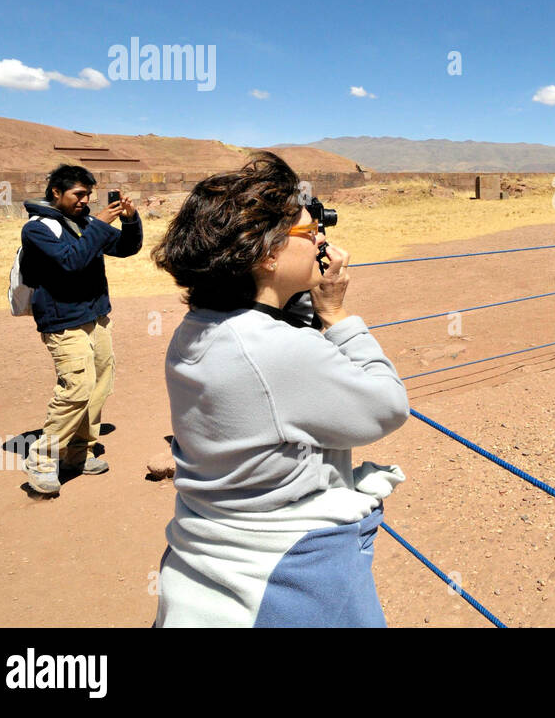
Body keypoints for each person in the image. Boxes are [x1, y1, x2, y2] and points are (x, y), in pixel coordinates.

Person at [150, 152, 409, 627]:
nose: (322, 243)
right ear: (268, 252)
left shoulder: (200, 327)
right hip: (289, 574)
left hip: (210, 555)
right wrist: (336, 316)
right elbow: (387, 407)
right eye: (311, 234)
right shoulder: (275, 351)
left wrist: (299, 299)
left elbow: (272, 357)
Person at [20, 164, 143, 494]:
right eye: (78, 194)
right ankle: (44, 459)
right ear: (57, 193)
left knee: (99, 386)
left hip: (97, 317)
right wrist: (100, 224)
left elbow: (126, 248)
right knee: (77, 387)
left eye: (88, 194)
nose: (85, 200)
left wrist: (130, 220)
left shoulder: (84, 221)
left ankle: (80, 453)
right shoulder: (37, 229)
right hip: (63, 322)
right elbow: (71, 261)